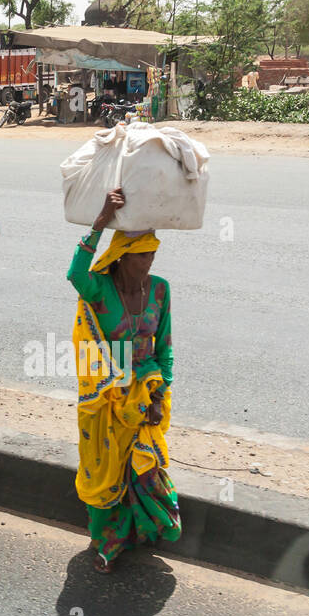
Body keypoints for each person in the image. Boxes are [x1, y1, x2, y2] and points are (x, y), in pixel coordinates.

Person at [67, 188, 180, 572]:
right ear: (120, 258)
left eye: (151, 254)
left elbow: (164, 345)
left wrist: (160, 390)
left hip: (146, 395)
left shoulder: (160, 289)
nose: (148, 262)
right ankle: (106, 543)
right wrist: (100, 222)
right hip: (107, 397)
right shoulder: (100, 287)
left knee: (141, 466)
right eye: (140, 255)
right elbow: (75, 274)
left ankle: (138, 531)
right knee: (104, 469)